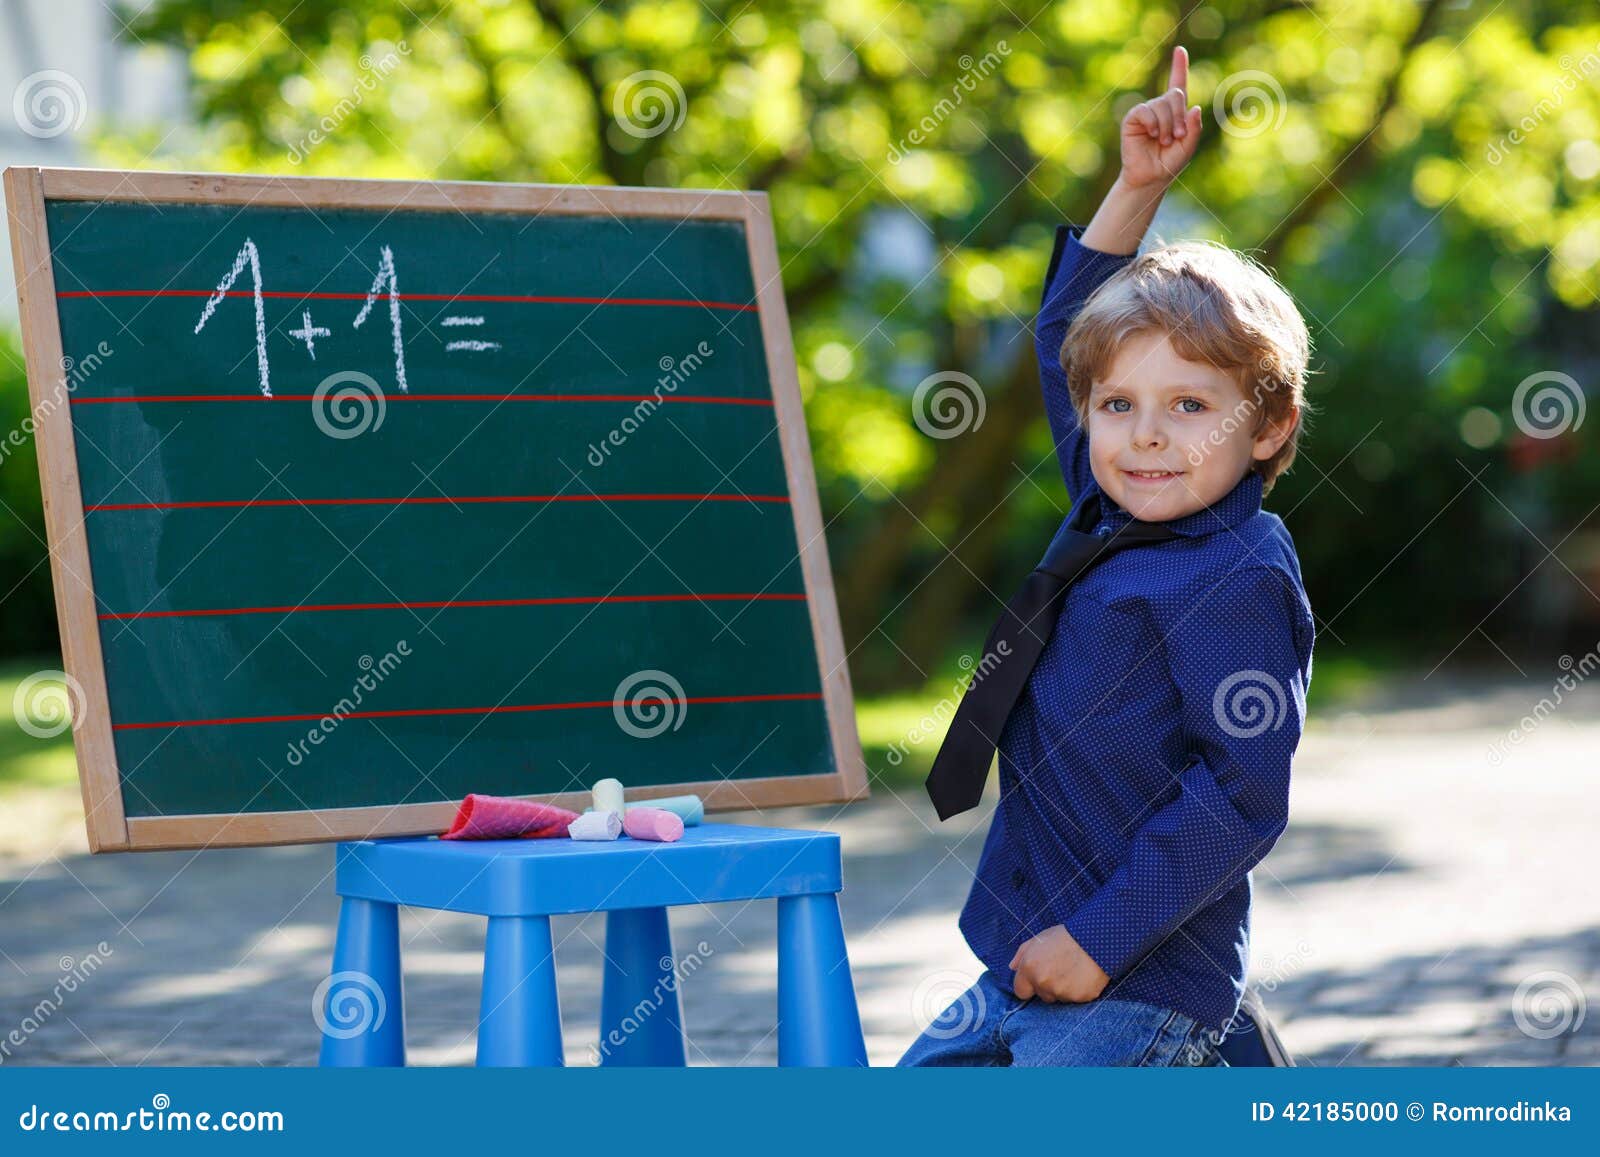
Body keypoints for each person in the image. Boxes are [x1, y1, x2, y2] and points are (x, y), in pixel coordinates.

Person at [900, 45, 1316, 1067]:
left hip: (1134, 976)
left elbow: (1241, 793)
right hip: (1019, 952)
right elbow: (1064, 333)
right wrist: (1136, 188)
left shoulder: (1237, 570)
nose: (1144, 435)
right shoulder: (1107, 503)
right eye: (1118, 406)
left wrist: (1098, 941)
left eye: (1189, 406)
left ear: (1264, 428)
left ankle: (1217, 1046)